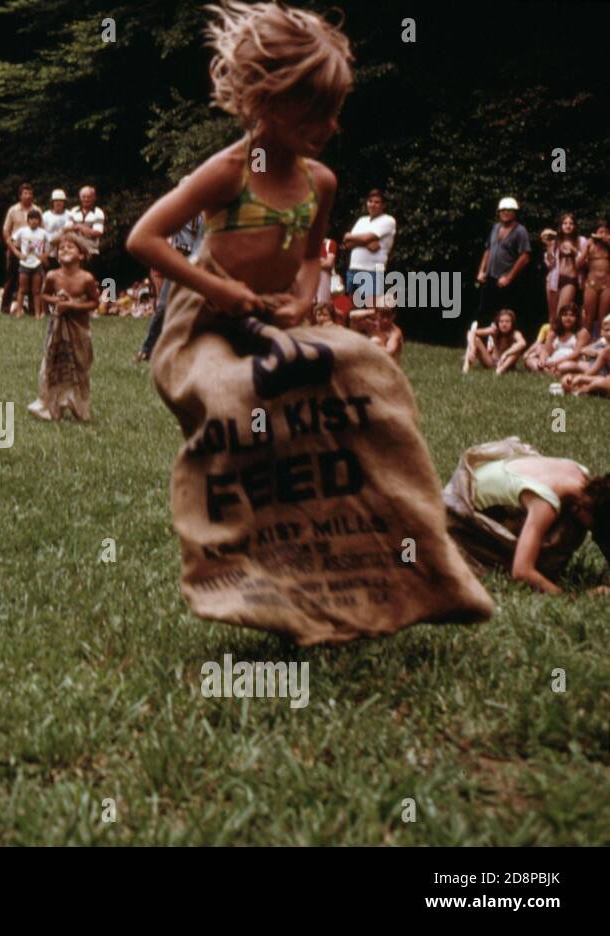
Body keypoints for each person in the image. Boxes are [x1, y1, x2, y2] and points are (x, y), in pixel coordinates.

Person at [127, 2, 494, 644]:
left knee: (365, 372)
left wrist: (301, 300)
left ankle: (401, 554)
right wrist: (223, 290)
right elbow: (145, 238)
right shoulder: (228, 173)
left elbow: (309, 260)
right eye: (312, 110)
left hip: (274, 321)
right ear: (263, 101)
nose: (329, 126)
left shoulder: (320, 182)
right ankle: (236, 567)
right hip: (205, 323)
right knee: (240, 404)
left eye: (336, 110)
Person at [443, 441, 610, 594]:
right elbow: (521, 571)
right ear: (588, 511)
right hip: (460, 505)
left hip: (491, 474)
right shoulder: (545, 504)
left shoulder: (580, 473)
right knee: (565, 532)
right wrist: (572, 596)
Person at [28, 232, 99, 421]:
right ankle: (51, 404)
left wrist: (73, 305)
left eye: (70, 247)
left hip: (79, 329)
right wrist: (56, 300)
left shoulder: (86, 279)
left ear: (81, 255)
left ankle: (80, 406)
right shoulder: (52, 276)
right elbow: (43, 295)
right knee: (53, 362)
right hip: (58, 326)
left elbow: (94, 302)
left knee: (80, 365)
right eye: (61, 248)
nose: (64, 249)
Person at [136, 186, 203, 362]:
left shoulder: (206, 216)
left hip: (197, 264)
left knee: (196, 309)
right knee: (163, 307)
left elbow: (203, 242)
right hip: (175, 262)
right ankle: (147, 349)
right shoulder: (173, 213)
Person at [476, 197, 531, 324]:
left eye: (509, 210)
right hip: (490, 277)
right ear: (499, 212)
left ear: (514, 212)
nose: (505, 212)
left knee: (505, 316)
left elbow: (525, 257)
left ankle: (505, 344)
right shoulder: (495, 228)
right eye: (503, 210)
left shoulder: (520, 231)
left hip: (506, 281)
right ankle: (482, 343)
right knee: (484, 312)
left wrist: (509, 278)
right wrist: (481, 271)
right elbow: (488, 250)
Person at [341, 189, 394, 307]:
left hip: (373, 271)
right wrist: (365, 242)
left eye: (377, 202)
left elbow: (363, 239)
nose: (372, 204)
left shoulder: (388, 220)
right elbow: (347, 244)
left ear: (383, 205)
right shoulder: (361, 220)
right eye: (370, 201)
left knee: (373, 310)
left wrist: (352, 237)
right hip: (353, 269)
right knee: (353, 310)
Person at [0, 183, 40, 313]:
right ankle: (5, 307)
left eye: (30, 193)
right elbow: (6, 230)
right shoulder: (13, 210)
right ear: (20, 195)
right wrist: (11, 247)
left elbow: (42, 230)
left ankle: (33, 309)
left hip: (32, 250)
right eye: (25, 193)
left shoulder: (37, 210)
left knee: (32, 279)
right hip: (15, 248)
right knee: (11, 278)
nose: (28, 196)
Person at [544, 214, 585, 328]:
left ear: (575, 226)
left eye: (571, 223)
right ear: (561, 226)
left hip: (570, 279)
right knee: (552, 317)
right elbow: (550, 264)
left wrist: (574, 250)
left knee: (561, 314)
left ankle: (562, 341)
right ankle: (551, 343)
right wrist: (548, 247)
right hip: (553, 279)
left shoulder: (581, 241)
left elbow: (586, 262)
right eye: (565, 223)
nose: (568, 226)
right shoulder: (555, 241)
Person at [525, 303, 587, 374]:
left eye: (572, 315)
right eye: (565, 315)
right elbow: (546, 350)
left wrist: (556, 363)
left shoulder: (582, 332)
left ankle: (547, 371)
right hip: (554, 359)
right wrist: (542, 360)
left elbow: (576, 354)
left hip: (571, 361)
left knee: (565, 366)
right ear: (560, 317)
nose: (568, 318)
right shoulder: (554, 332)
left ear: (577, 318)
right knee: (529, 361)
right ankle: (549, 371)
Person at [10, 208, 50, 318]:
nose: (34, 221)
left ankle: (37, 313)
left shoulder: (43, 233)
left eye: (36, 219)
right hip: (24, 263)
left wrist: (44, 255)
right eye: (31, 219)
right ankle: (18, 312)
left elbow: (51, 244)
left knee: (36, 290)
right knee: (22, 289)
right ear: (28, 220)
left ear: (39, 220)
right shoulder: (22, 231)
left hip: (37, 263)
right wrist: (17, 253)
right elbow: (11, 241)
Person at [463, 308, 525, 374]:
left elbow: (522, 343)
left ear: (512, 323)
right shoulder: (494, 330)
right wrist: (472, 348)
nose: (504, 324)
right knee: (475, 340)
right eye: (501, 321)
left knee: (517, 347)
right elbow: (470, 333)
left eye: (507, 321)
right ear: (498, 323)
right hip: (492, 361)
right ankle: (466, 365)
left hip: (507, 362)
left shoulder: (515, 333)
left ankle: (500, 370)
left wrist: (506, 354)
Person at [578, 218, 610, 340]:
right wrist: (586, 248)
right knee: (588, 317)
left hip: (607, 285)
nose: (603, 235)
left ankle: (602, 345)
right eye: (600, 232)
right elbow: (578, 264)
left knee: (604, 318)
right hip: (591, 284)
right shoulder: (590, 244)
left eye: (606, 232)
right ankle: (584, 343)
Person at [67, 186, 105, 255]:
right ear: (80, 198)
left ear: (94, 198)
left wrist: (79, 226)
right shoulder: (74, 210)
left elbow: (97, 233)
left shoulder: (98, 212)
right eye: (84, 197)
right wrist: (87, 230)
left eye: (89, 197)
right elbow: (66, 229)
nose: (86, 199)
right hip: (74, 252)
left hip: (91, 251)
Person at [41, 189, 73, 258]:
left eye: (61, 200)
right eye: (56, 200)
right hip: (49, 253)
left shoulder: (70, 215)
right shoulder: (45, 215)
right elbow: (41, 235)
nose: (58, 203)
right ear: (52, 202)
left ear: (64, 202)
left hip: (66, 253)